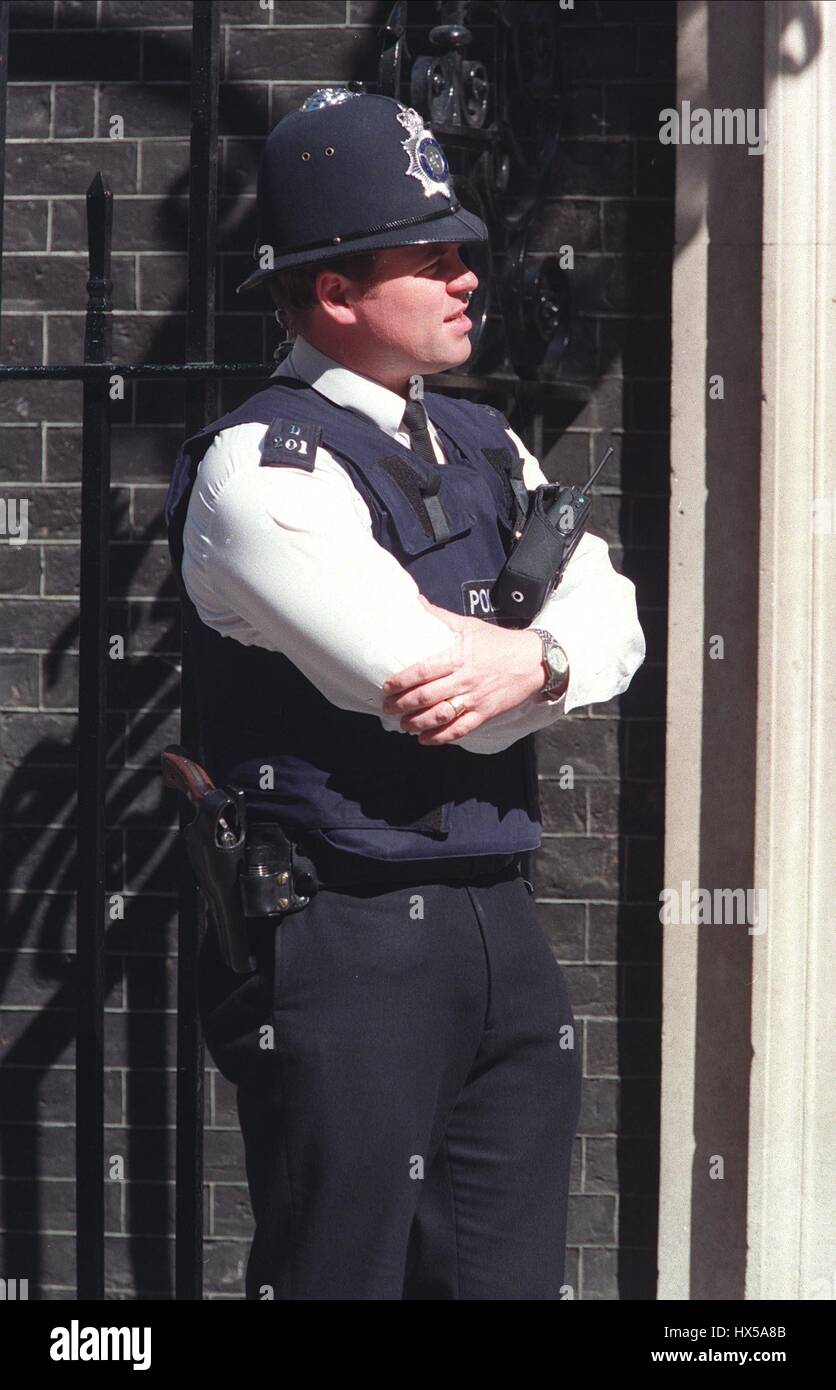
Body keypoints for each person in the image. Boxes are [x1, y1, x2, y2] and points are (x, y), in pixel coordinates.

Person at [164, 89, 645, 1301]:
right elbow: (422, 689)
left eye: (462, 252)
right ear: (334, 291)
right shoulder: (259, 469)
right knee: (344, 1274)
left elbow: (619, 619)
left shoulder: (485, 443)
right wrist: (542, 654)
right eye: (428, 259)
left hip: (498, 918)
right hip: (344, 930)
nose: (465, 278)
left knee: (503, 1277)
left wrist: (536, 660)